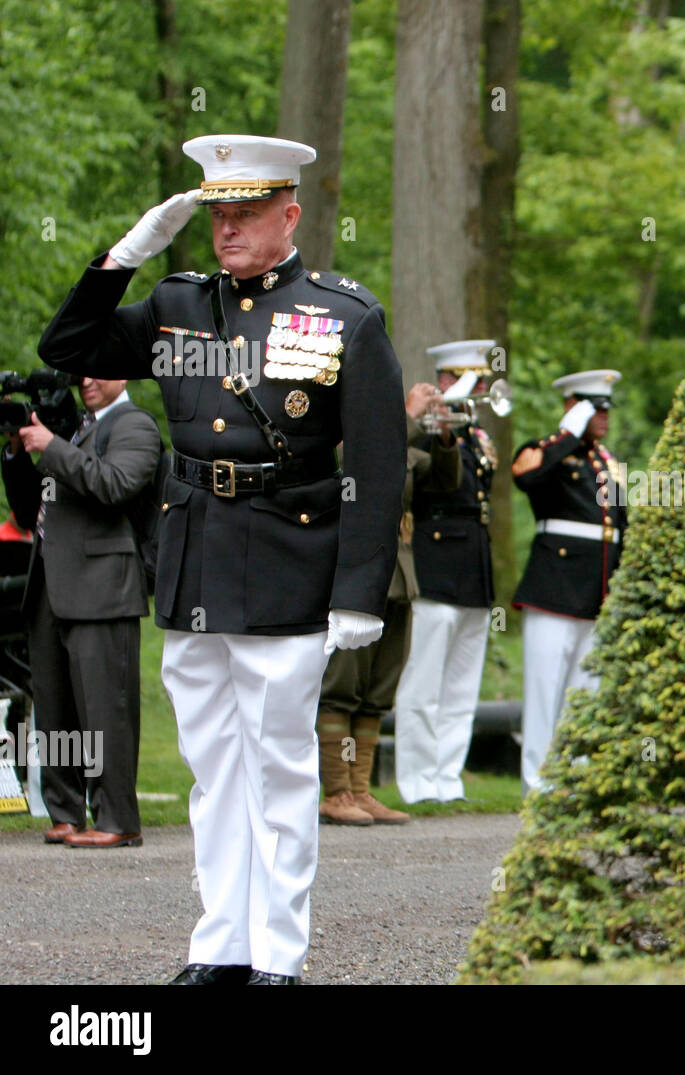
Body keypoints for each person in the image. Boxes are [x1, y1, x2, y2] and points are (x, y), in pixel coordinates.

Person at [37, 134, 405, 984]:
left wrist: (359, 589)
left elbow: (378, 468)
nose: (228, 228)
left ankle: (278, 954)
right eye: (217, 214)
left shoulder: (342, 315)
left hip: (289, 553)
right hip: (196, 552)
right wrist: (123, 258)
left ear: (291, 214)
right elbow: (70, 351)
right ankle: (221, 945)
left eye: (245, 212)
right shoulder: (177, 303)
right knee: (212, 769)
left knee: (277, 766)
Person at [1, 377, 160, 848]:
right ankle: (65, 811)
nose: (87, 381)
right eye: (81, 373)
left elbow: (115, 485)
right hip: (49, 582)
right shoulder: (70, 431)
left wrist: (51, 446)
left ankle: (116, 818)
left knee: (104, 705)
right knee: (54, 708)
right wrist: (16, 452)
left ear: (123, 376)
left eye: (98, 371)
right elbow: (30, 512)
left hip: (102, 585)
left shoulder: (134, 425)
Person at [318, 380, 461, 823]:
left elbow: (445, 482)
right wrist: (411, 419)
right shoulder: (340, 440)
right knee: (342, 688)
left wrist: (444, 437)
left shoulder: (402, 444)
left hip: (398, 577)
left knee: (378, 689)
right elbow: (368, 467)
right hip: (355, 574)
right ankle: (336, 792)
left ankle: (360, 790)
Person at [511, 369, 626, 793]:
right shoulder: (545, 452)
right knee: (545, 693)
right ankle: (537, 783)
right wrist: (565, 435)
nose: (604, 418)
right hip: (554, 590)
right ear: (573, 407)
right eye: (594, 409)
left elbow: (620, 525)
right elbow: (527, 478)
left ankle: (575, 779)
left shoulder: (607, 462)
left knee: (585, 693)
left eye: (605, 410)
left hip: (597, 591)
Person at [394, 340, 498, 803]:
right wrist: (432, 425)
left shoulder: (477, 436)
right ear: (442, 381)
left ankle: (447, 778)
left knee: (460, 686)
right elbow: (412, 472)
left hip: (472, 570)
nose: (474, 389)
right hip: (434, 566)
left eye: (478, 380)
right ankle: (416, 781)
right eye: (463, 379)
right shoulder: (421, 427)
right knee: (423, 682)